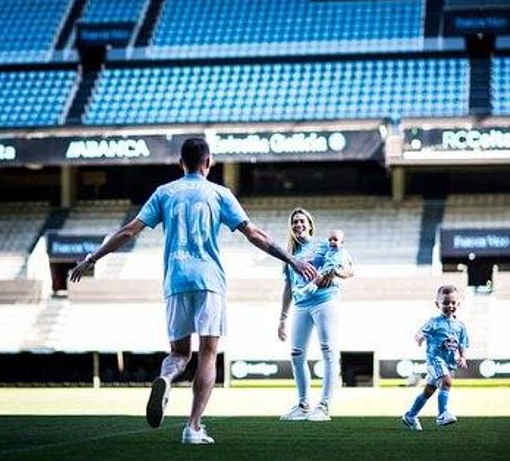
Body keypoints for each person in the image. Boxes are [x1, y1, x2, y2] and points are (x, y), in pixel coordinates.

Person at [70, 138, 315, 445]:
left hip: (175, 280)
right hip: (209, 281)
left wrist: (91, 259)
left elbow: (128, 231)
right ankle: (193, 427)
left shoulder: (164, 193)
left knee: (179, 353)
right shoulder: (219, 194)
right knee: (207, 355)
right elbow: (254, 234)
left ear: (180, 163)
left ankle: (166, 378)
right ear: (208, 162)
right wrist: (292, 259)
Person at [277, 211, 354, 422]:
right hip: (301, 306)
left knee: (328, 351)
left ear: (310, 225)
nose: (298, 224)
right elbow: (288, 286)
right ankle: (303, 405)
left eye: (302, 221)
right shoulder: (289, 254)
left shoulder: (325, 244)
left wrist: (335, 273)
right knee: (296, 353)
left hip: (325, 301)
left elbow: (350, 269)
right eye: (294, 222)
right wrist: (282, 318)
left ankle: (324, 406)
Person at [401, 284, 469, 431]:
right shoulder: (434, 322)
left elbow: (462, 343)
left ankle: (410, 416)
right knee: (446, 382)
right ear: (437, 304)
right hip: (435, 361)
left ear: (458, 303)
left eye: (453, 302)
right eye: (445, 303)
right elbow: (420, 332)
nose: (449, 305)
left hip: (449, 362)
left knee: (429, 391)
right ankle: (442, 414)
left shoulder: (460, 326)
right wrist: (419, 337)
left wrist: (462, 357)